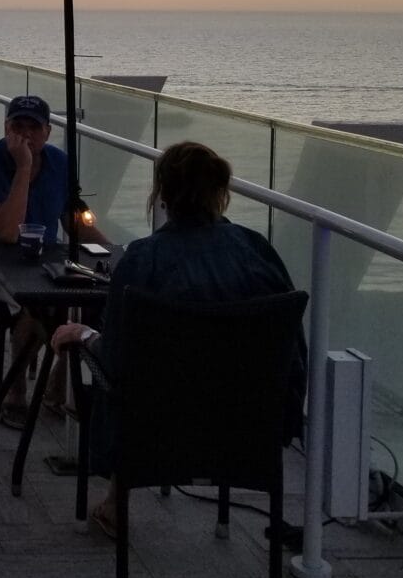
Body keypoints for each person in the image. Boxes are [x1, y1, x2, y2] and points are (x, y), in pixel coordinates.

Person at [50, 141, 306, 536]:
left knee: (117, 373)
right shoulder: (259, 253)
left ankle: (117, 503)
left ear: (161, 196)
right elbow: (293, 357)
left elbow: (117, 360)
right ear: (221, 194)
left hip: (156, 436)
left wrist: (83, 334)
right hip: (247, 434)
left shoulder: (142, 260)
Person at [0, 94, 110, 426]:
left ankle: (57, 386)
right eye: (18, 126)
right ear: (5, 128)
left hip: (40, 262)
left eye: (34, 127)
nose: (26, 134)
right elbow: (6, 233)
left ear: (48, 130)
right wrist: (24, 167)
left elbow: (72, 221)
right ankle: (15, 394)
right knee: (38, 305)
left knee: (96, 301)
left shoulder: (60, 162)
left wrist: (114, 252)